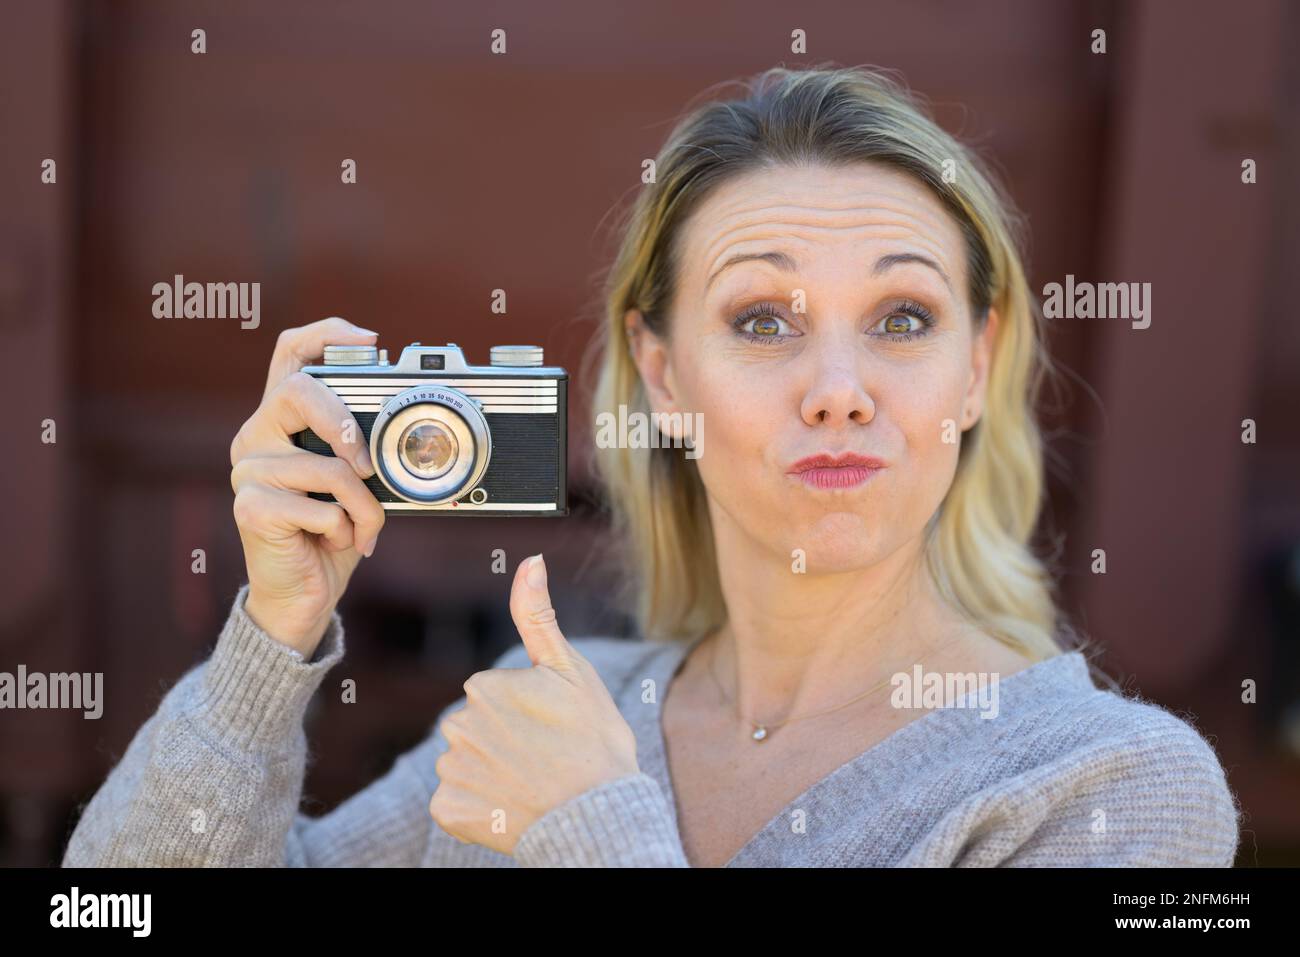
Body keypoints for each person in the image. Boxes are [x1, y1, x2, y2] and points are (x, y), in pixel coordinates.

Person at [62, 64, 1242, 867]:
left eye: (900, 318)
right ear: (664, 378)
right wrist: (267, 640)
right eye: (762, 321)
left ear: (976, 367)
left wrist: (587, 825)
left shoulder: (1114, 788)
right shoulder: (561, 709)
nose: (838, 385)